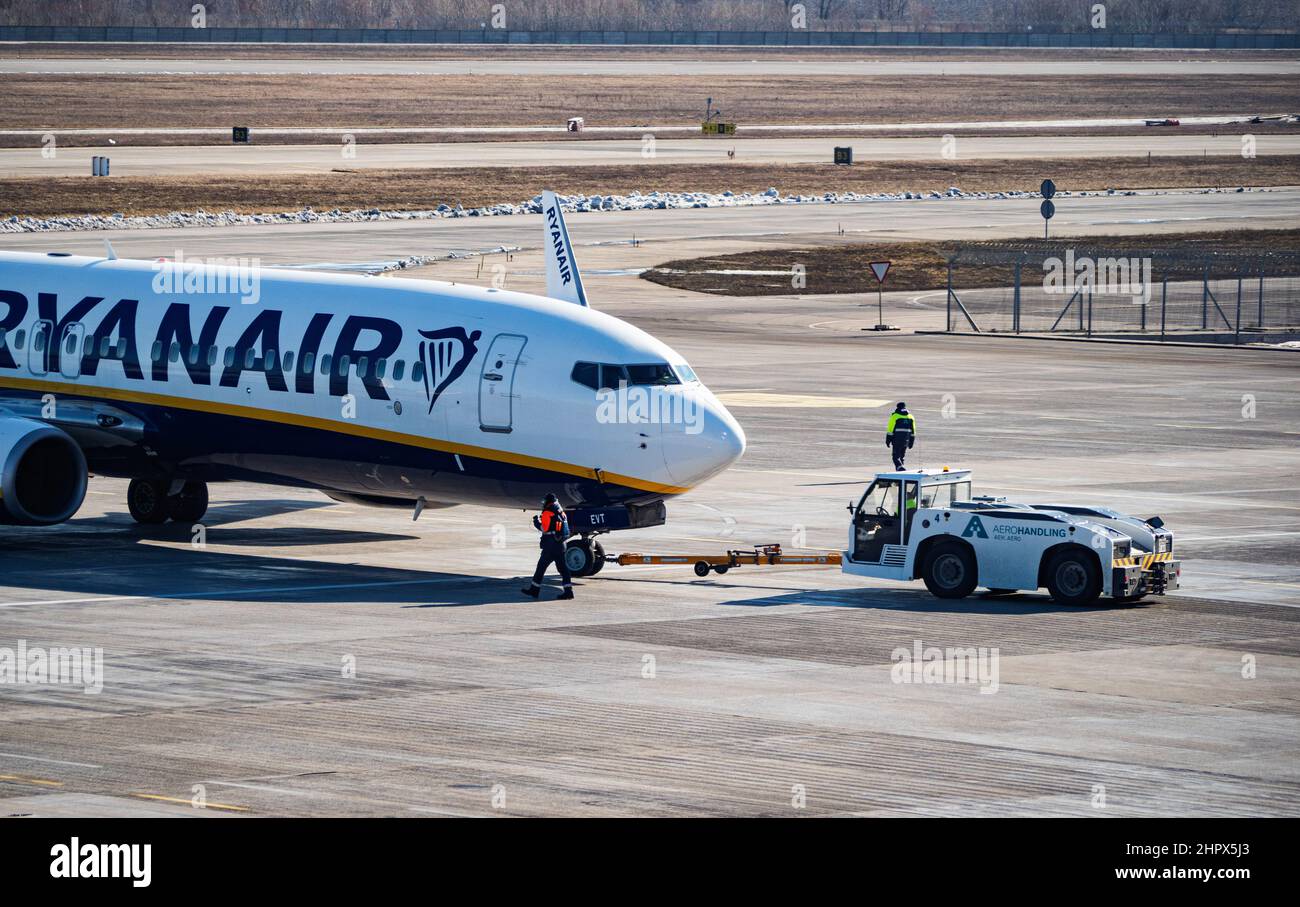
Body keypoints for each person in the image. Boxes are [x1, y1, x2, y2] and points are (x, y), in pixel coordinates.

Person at [522, 492, 574, 600]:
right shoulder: (560, 511)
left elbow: (544, 528)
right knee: (563, 569)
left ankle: (534, 590)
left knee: (541, 567)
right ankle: (568, 591)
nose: (543, 504)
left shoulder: (547, 512)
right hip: (561, 545)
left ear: (548, 502)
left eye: (545, 502)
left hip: (550, 547)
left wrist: (536, 522)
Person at [885, 402, 916, 470]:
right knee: (902, 456)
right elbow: (913, 431)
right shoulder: (911, 416)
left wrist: (888, 440)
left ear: (897, 407)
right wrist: (911, 442)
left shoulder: (895, 416)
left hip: (897, 440)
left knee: (895, 457)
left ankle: (900, 468)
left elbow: (890, 429)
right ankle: (901, 471)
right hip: (906, 440)